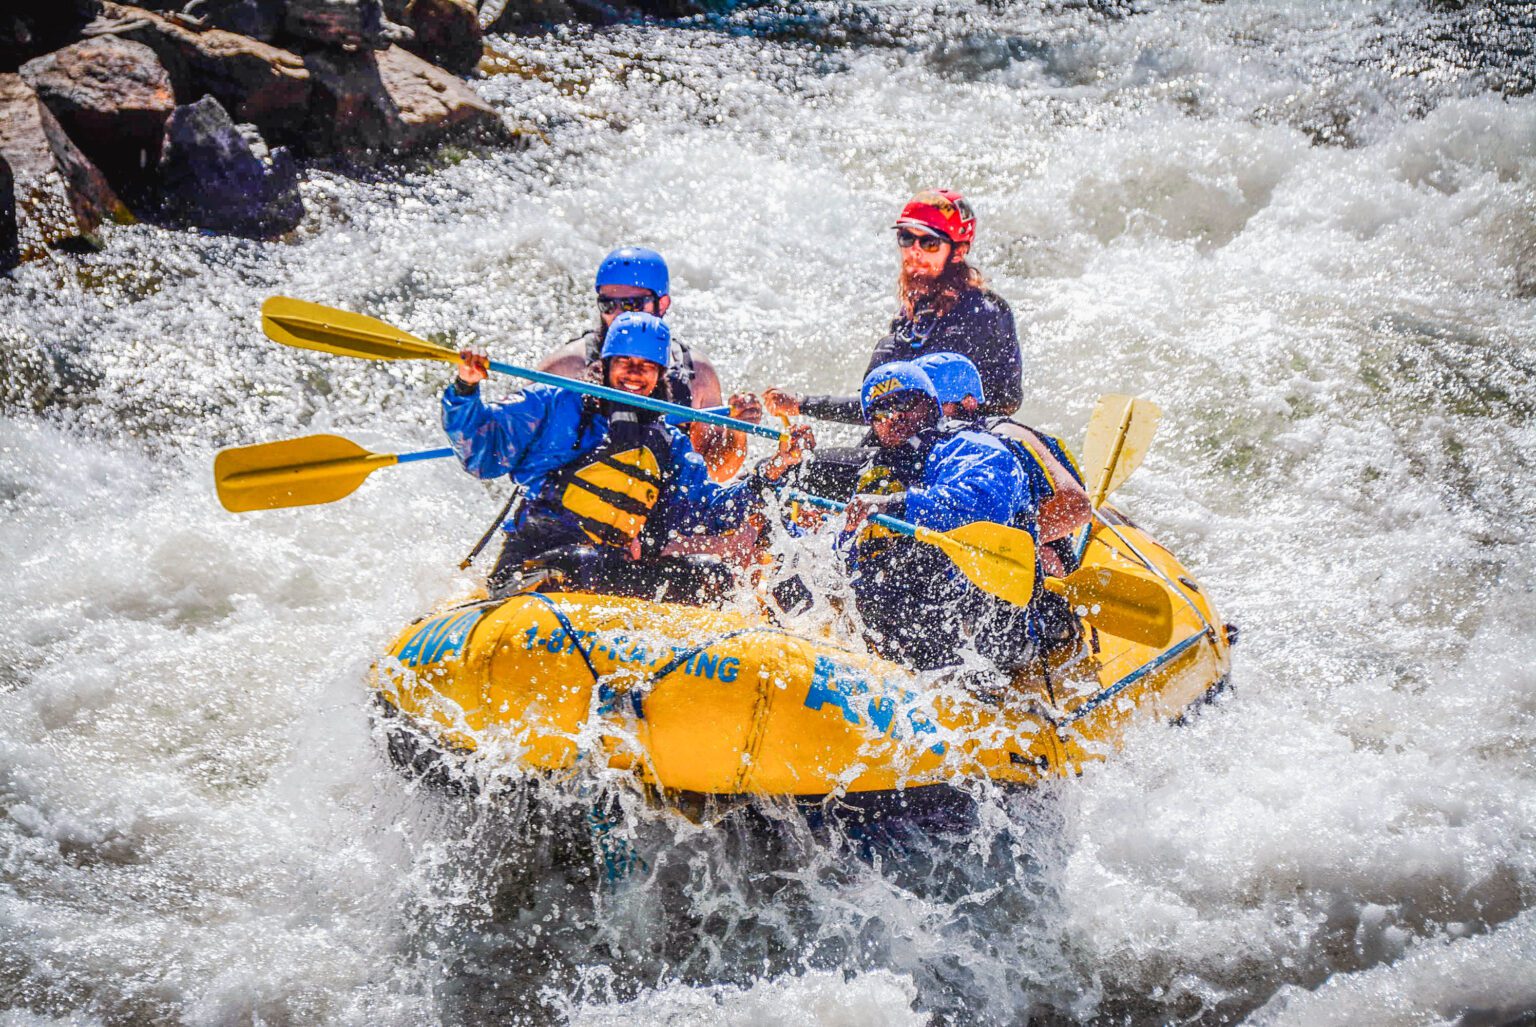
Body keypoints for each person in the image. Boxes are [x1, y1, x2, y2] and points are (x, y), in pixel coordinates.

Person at [444, 312, 810, 602]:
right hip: (538, 556)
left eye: (646, 365)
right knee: (582, 563)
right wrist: (466, 387)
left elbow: (711, 511)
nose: (634, 373)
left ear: (660, 375)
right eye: (625, 362)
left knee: (711, 575)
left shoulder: (667, 442)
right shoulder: (559, 403)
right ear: (605, 365)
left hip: (608, 569)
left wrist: (774, 469)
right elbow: (482, 451)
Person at [834, 362, 1075, 674]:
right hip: (913, 629)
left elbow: (988, 503)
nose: (893, 417)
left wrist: (895, 504)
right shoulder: (876, 471)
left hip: (997, 628)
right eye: (881, 412)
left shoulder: (971, 444)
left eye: (904, 404)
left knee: (915, 560)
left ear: (930, 404)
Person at [763, 189, 1021, 428]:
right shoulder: (914, 314)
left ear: (958, 251)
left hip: (952, 447)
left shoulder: (979, 314)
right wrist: (802, 404)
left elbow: (895, 403)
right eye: (907, 238)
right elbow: (881, 402)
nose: (914, 252)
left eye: (929, 243)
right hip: (908, 440)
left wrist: (804, 404)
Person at [538, 246, 760, 481]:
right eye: (608, 305)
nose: (618, 316)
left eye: (631, 305)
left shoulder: (696, 376)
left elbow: (715, 471)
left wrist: (737, 431)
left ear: (662, 304)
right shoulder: (566, 368)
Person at [913, 352, 1091, 577]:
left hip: (1041, 568)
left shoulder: (1004, 433)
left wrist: (1005, 542)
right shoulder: (931, 447)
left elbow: (1076, 507)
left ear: (969, 402)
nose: (923, 416)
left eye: (937, 406)